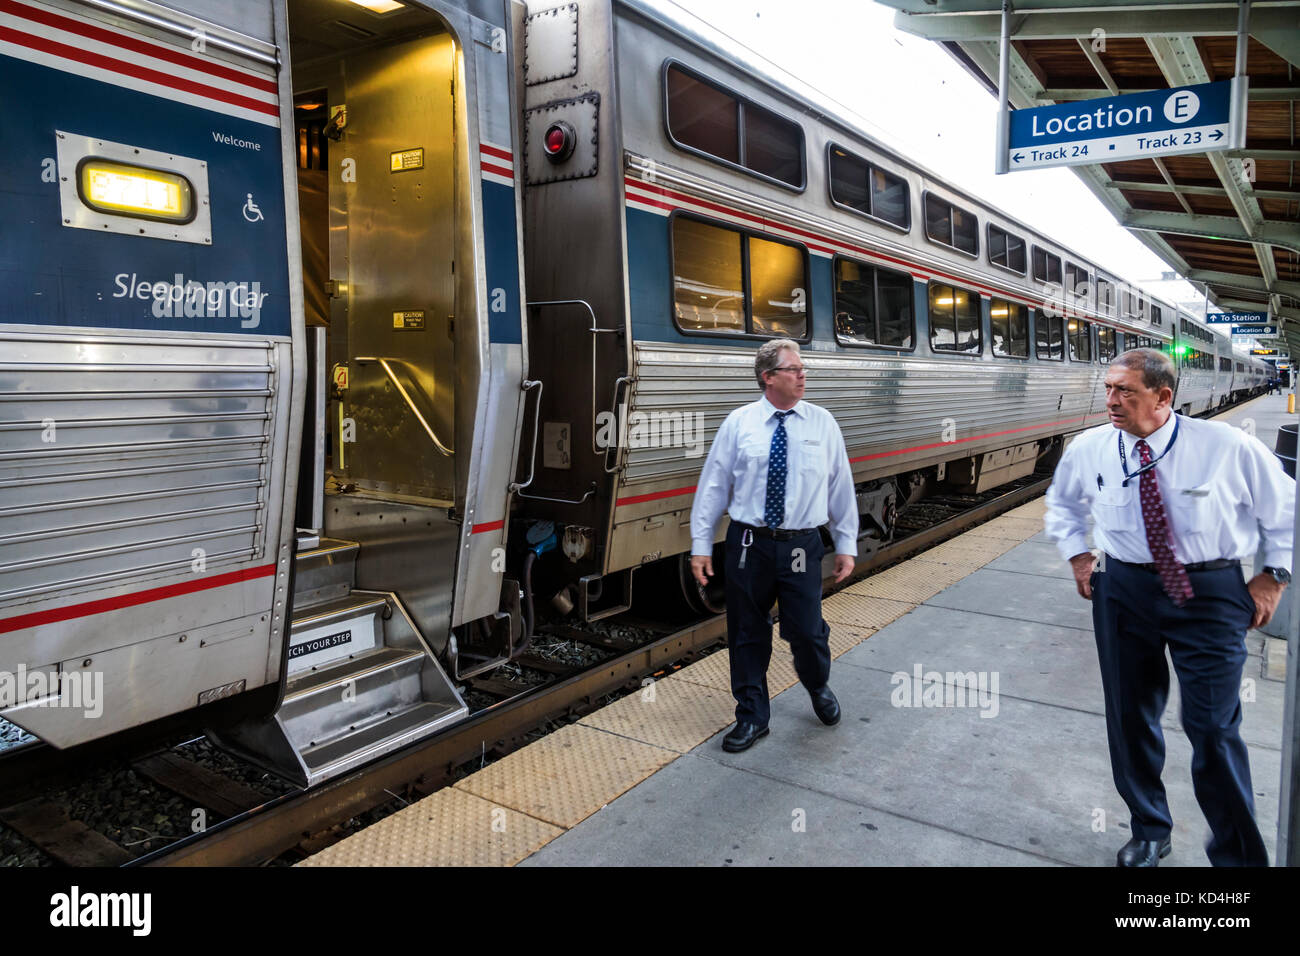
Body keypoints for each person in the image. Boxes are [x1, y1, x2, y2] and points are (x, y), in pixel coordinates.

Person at [1045, 347, 1293, 867]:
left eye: (1124, 391)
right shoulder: (1090, 447)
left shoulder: (1226, 446)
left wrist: (1272, 577)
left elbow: (1284, 512)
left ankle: (1238, 856)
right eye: (1109, 388)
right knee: (1129, 715)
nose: (1110, 400)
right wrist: (1078, 556)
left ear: (1163, 396)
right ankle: (1150, 829)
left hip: (1208, 592)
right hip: (1123, 590)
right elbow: (1064, 502)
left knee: (1211, 726)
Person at [690, 339, 858, 752]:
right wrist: (700, 545)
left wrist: (845, 543)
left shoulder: (822, 423)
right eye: (794, 369)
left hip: (801, 543)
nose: (803, 375)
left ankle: (817, 683)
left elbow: (840, 487)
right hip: (749, 542)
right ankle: (752, 716)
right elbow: (714, 485)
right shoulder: (739, 424)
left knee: (805, 630)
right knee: (747, 630)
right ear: (768, 377)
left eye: (802, 369)